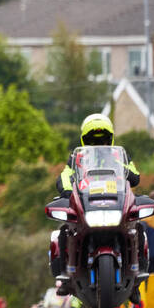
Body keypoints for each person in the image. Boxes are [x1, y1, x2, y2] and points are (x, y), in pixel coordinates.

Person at [54, 114, 143, 296]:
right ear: (84, 140)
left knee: (138, 227)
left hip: (114, 202)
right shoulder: (76, 157)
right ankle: (64, 278)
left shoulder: (119, 156)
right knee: (64, 229)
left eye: (102, 139)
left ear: (109, 139)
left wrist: (122, 167)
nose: (98, 144)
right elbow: (64, 176)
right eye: (93, 140)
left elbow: (134, 176)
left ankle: (136, 279)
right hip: (87, 204)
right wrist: (68, 193)